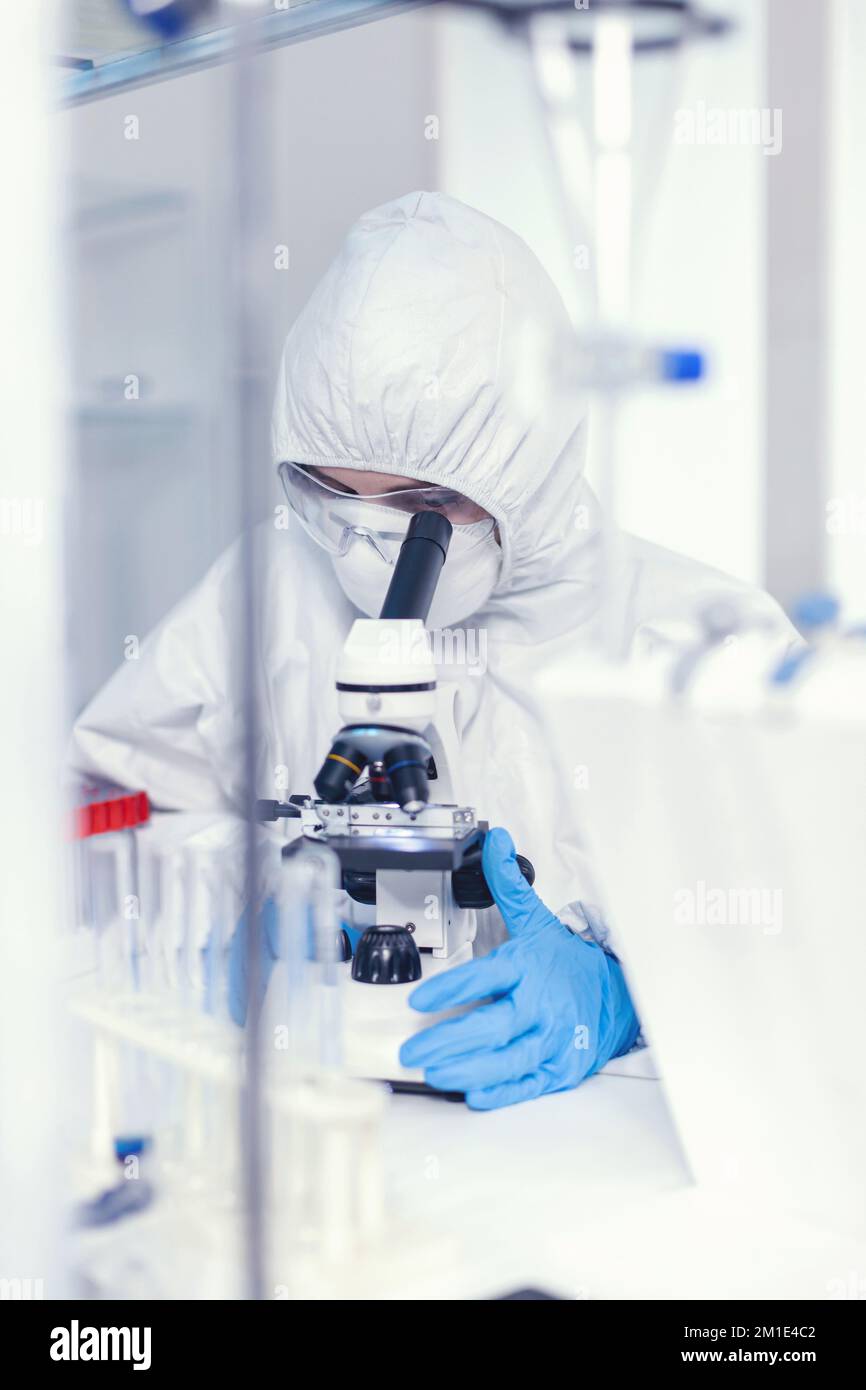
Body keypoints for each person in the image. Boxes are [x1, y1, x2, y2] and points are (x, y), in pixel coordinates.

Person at [72, 191, 796, 1108]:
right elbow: (115, 801)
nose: (367, 548)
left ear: (521, 473)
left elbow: (806, 955)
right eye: (332, 493)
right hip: (315, 1108)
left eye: (420, 509)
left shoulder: (698, 638)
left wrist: (623, 996)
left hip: (602, 1150)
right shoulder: (269, 585)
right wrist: (240, 904)